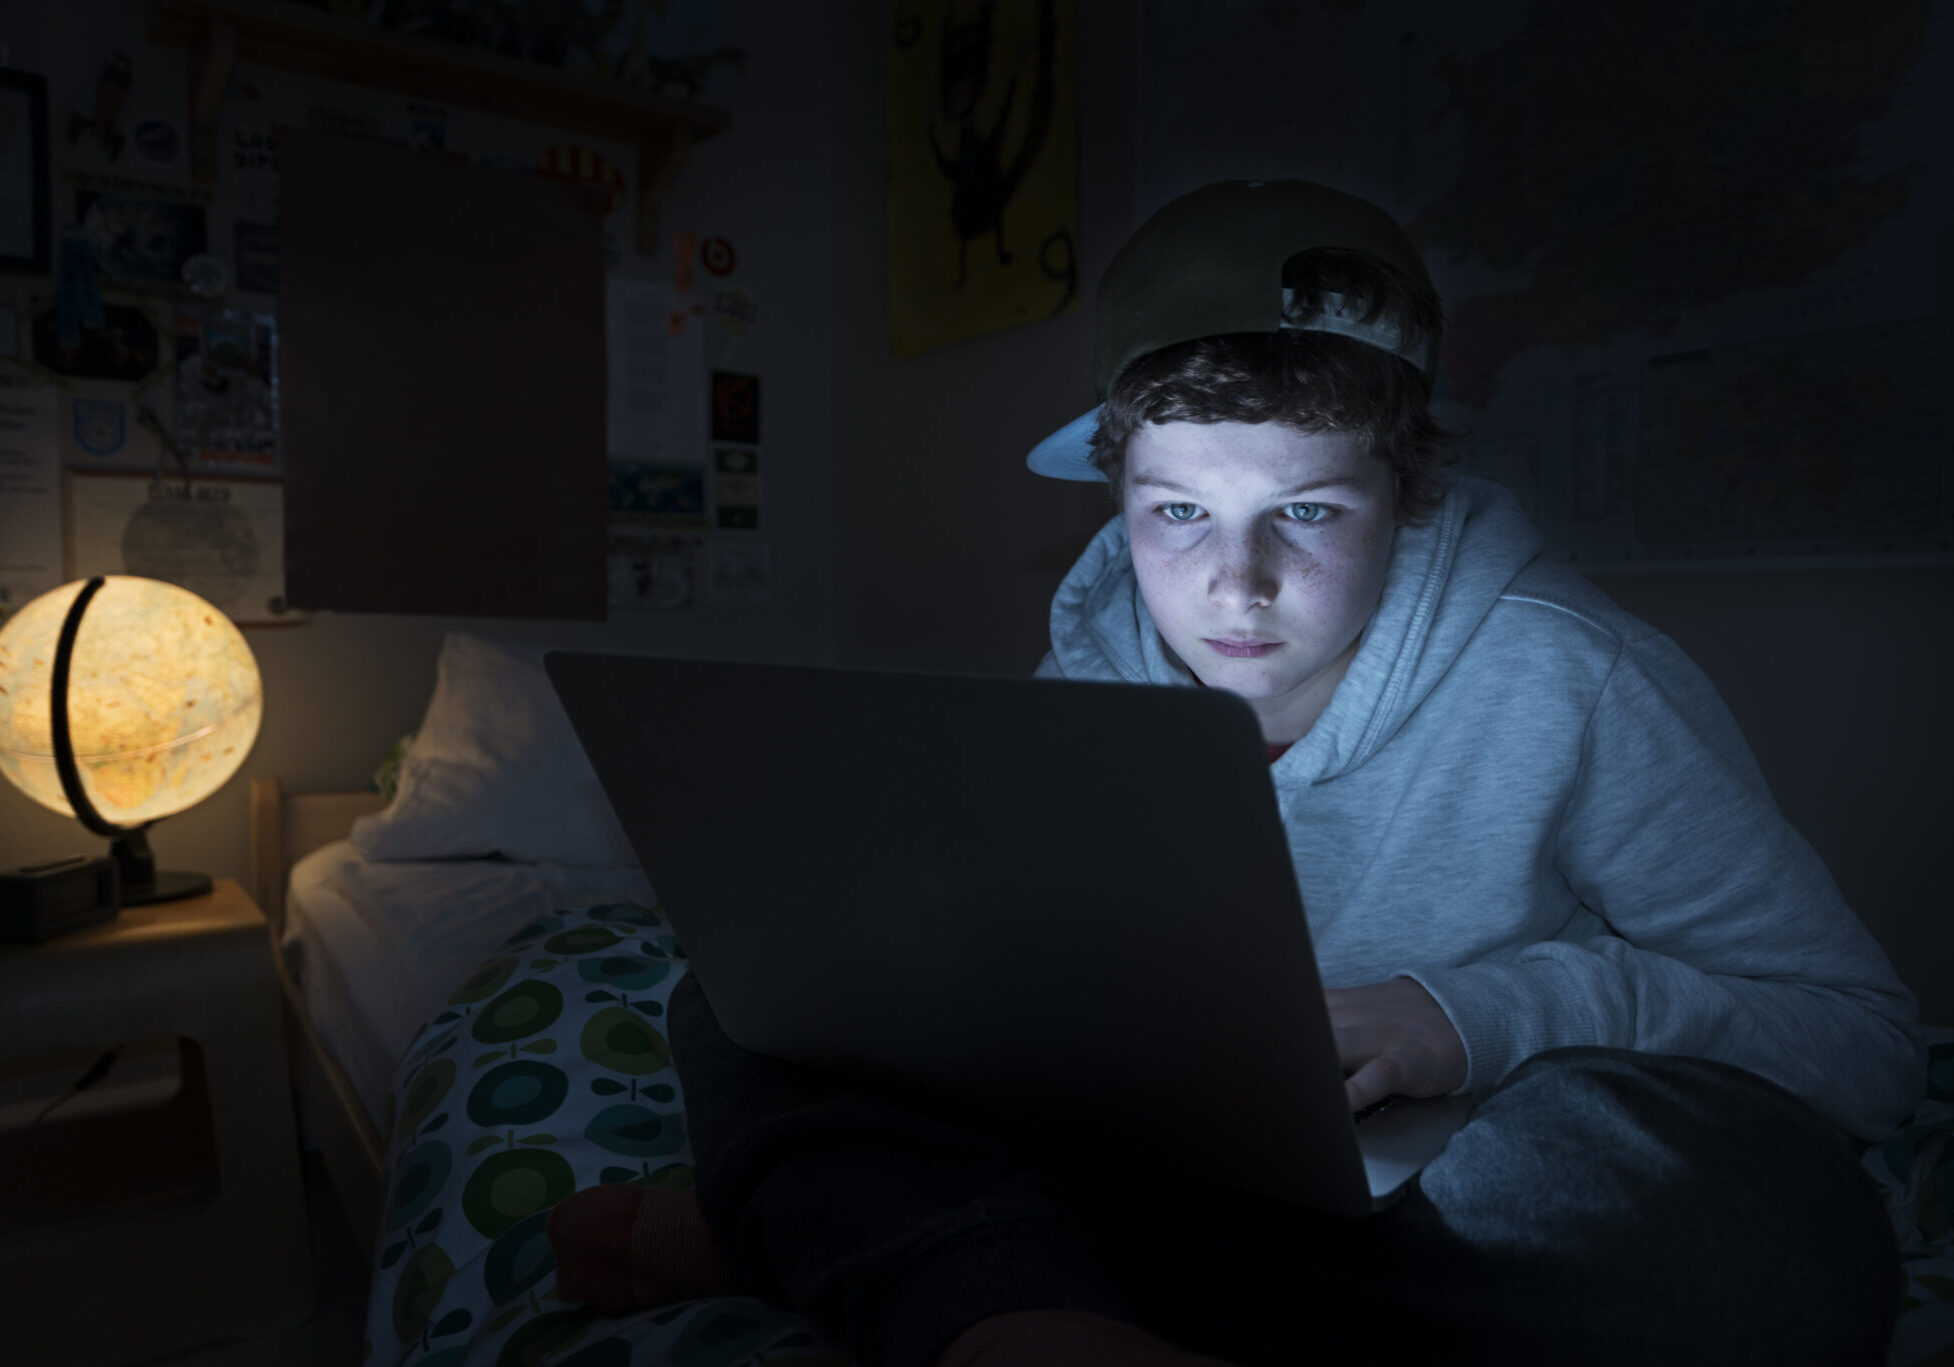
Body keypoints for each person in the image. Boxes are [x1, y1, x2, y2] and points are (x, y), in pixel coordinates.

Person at [548, 180, 1924, 1366]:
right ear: (1117, 497)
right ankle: (1014, 1312)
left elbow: (1859, 1044)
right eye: (1177, 515)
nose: (1234, 584)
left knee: (1783, 1262)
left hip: (1437, 1179)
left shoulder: (1571, 680)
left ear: (1410, 497)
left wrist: (1475, 1013)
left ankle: (903, 1259)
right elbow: (995, 975)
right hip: (1154, 1145)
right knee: (747, 982)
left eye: (1308, 511)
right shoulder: (1088, 668)